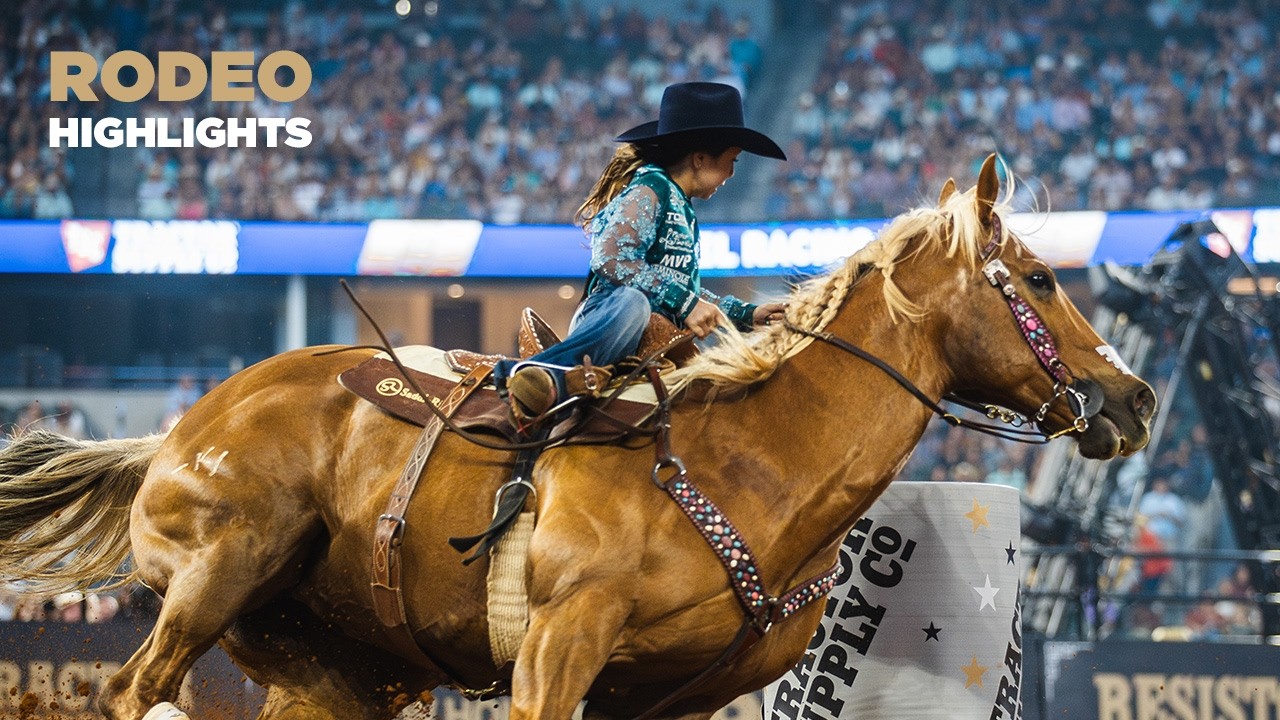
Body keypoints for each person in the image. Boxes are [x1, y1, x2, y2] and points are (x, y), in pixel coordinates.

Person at [496, 82, 788, 423]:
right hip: (611, 317)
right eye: (730, 161)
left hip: (653, 332)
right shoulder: (650, 188)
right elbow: (610, 259)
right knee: (634, 302)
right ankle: (543, 376)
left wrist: (747, 314)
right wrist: (686, 303)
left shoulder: (683, 209)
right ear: (699, 158)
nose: (731, 174)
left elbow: (689, 294)